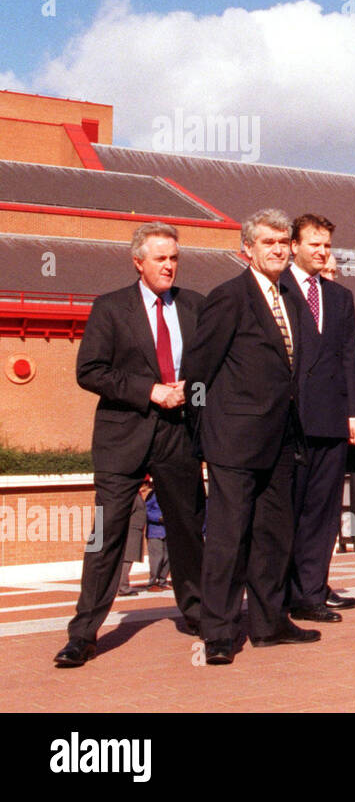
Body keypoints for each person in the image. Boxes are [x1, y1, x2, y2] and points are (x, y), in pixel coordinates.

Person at [55, 222, 207, 667]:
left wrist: (189, 392)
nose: (169, 266)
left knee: (187, 530)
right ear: (138, 261)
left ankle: (198, 614)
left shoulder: (196, 306)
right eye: (160, 258)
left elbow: (210, 373)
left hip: (179, 435)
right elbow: (91, 371)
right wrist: (150, 390)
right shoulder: (110, 308)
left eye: (174, 258)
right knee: (104, 536)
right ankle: (83, 634)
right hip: (122, 440)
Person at [187, 208, 318, 665]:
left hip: (281, 438)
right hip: (233, 441)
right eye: (269, 242)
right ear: (247, 249)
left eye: (284, 241)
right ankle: (218, 632)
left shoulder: (292, 299)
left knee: (273, 535)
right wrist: (203, 433)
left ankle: (269, 623)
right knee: (228, 537)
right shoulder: (228, 298)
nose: (279, 249)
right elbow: (197, 373)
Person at [284, 214, 355, 623]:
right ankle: (282, 591)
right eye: (314, 244)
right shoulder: (276, 290)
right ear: (294, 245)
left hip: (332, 419)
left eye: (327, 245)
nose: (322, 251)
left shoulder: (339, 297)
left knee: (323, 510)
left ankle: (311, 592)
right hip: (290, 422)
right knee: (288, 509)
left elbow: (350, 358)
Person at [143, 479, 170, 591]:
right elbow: (146, 511)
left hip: (168, 531)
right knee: (156, 558)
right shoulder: (152, 495)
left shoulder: (169, 495)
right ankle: (152, 583)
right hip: (155, 531)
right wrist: (158, 518)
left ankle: (162, 581)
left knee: (167, 558)